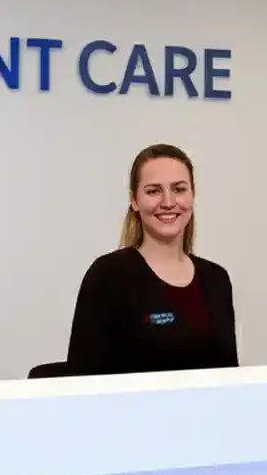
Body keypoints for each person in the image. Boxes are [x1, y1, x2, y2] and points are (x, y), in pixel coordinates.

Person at [64, 143, 238, 376]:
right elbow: (81, 381)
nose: (168, 202)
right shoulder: (109, 275)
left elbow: (231, 379)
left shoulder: (216, 279)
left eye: (179, 189)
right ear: (134, 200)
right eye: (153, 191)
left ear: (192, 195)